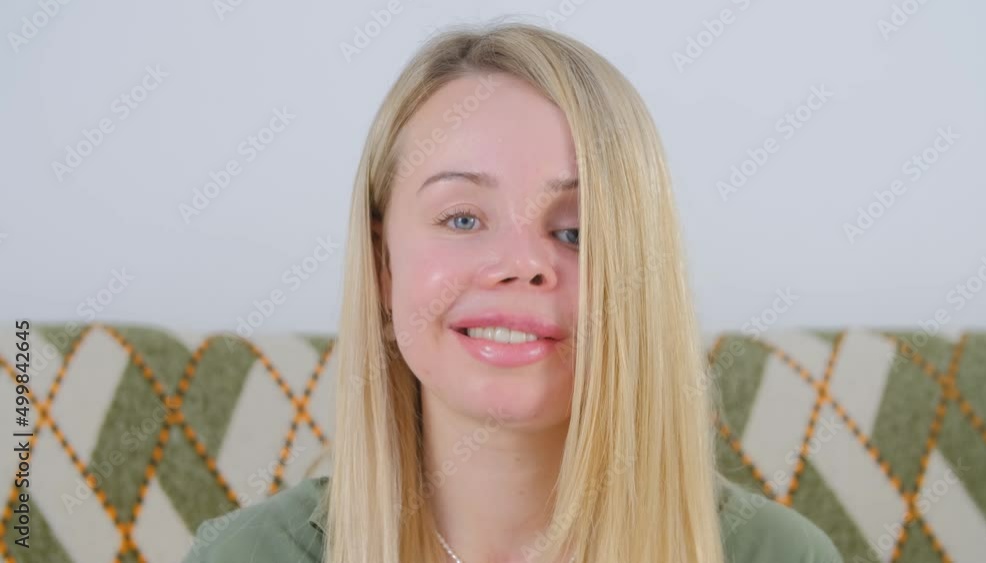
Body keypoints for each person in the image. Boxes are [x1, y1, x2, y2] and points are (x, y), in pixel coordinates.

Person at [182, 18, 843, 563]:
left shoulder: (777, 552)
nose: (521, 263)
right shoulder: (244, 553)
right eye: (463, 218)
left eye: (577, 231)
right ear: (384, 267)